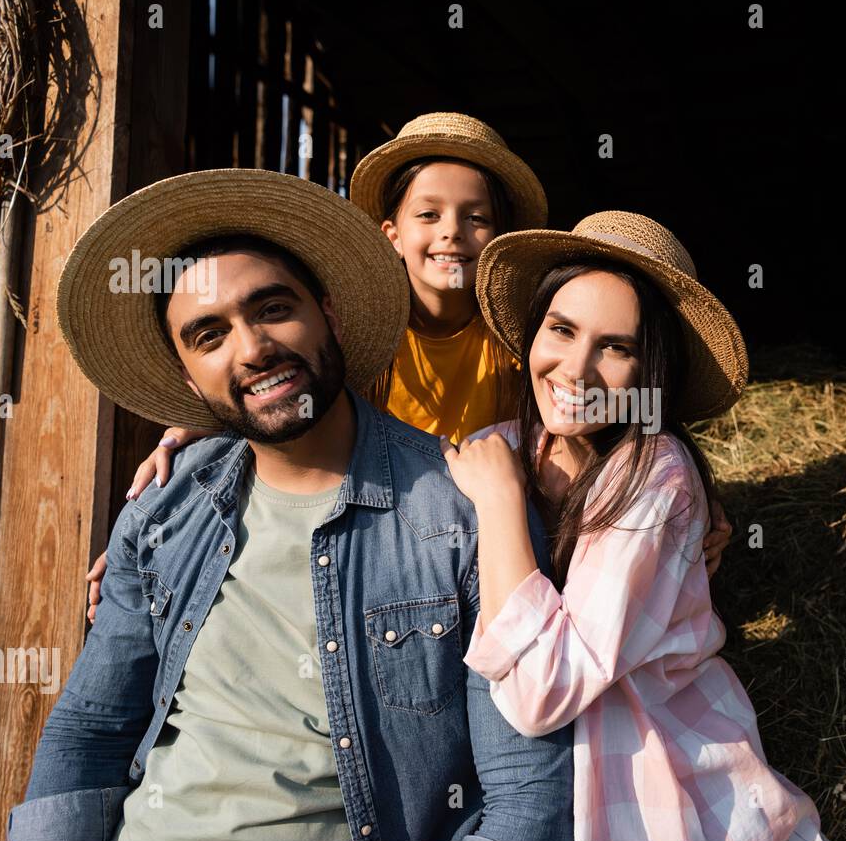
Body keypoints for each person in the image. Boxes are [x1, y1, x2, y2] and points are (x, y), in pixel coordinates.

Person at [7, 168, 573, 841]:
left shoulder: (467, 511)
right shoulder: (163, 511)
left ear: (327, 313)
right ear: (189, 375)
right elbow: (89, 732)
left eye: (274, 309)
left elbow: (529, 794)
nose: (253, 349)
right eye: (210, 335)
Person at [83, 113, 732, 623]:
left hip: (494, 534)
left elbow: (614, 417)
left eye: (476, 218)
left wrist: (683, 512)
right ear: (392, 233)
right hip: (377, 520)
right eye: (429, 214)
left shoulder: (528, 339)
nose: (452, 233)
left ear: (498, 237)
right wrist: (176, 481)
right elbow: (273, 401)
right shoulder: (359, 336)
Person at [441, 211, 825, 841]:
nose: (576, 370)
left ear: (652, 371)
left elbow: (543, 693)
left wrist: (503, 504)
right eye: (561, 330)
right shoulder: (501, 447)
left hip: (660, 786)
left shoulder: (657, 478)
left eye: (615, 347)